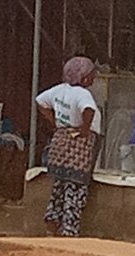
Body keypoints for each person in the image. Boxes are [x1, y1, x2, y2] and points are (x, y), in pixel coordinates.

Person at [36, 56, 102, 236]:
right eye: (92, 74)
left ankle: (52, 222)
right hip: (77, 148)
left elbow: (40, 101)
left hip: (60, 144)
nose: (94, 78)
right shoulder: (83, 94)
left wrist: (55, 122)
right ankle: (69, 231)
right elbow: (88, 110)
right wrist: (85, 129)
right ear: (85, 77)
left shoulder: (59, 90)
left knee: (59, 186)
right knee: (75, 188)